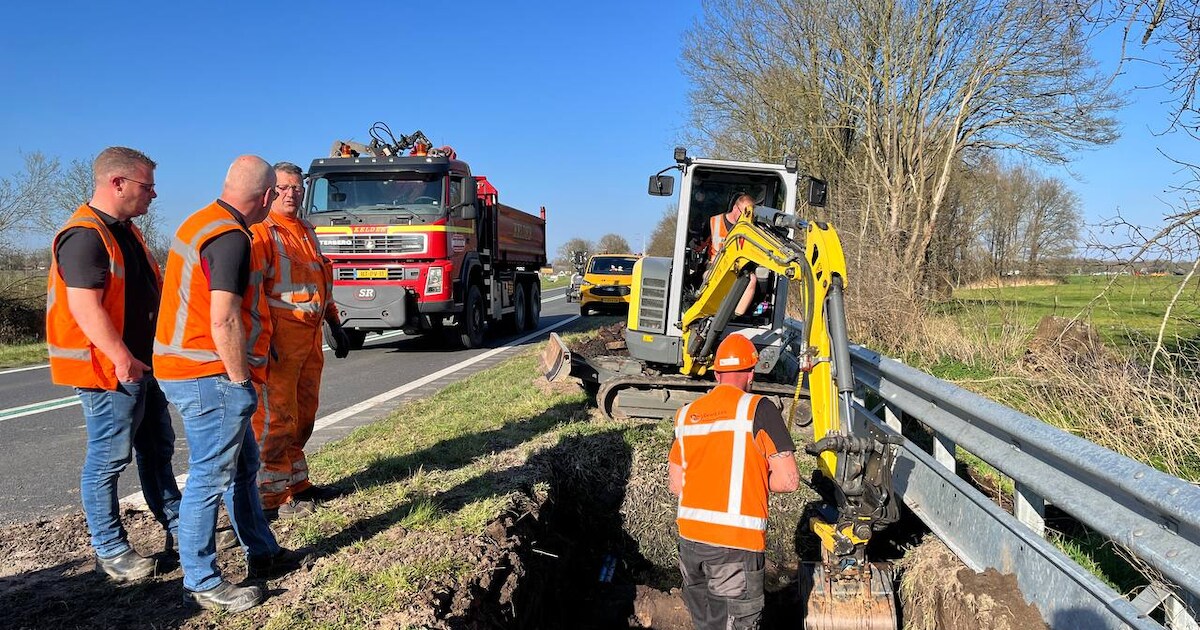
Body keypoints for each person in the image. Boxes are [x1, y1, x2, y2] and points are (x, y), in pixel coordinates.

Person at [154, 155, 304, 612]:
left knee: (242, 466)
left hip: (188, 366)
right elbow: (223, 318)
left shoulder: (201, 221)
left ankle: (262, 551)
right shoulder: (231, 237)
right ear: (265, 197)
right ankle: (201, 580)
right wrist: (239, 381)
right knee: (210, 476)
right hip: (207, 373)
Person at [46, 146, 182, 582]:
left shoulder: (124, 231)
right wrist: (122, 359)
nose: (154, 194)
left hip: (142, 365)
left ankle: (180, 526)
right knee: (108, 459)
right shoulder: (85, 235)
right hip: (110, 372)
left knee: (157, 450)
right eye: (147, 185)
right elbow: (85, 307)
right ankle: (110, 550)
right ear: (117, 183)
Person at [668, 334, 800, 630]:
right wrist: (753, 477)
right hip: (735, 548)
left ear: (716, 374)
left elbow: (676, 484)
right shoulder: (759, 409)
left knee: (707, 623)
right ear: (751, 373)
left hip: (690, 545)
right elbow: (788, 480)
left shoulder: (686, 415)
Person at [249, 161, 349, 520]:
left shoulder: (305, 230)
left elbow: (319, 282)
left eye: (296, 188)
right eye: (283, 188)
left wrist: (334, 322)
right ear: (270, 192)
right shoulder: (262, 232)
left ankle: (297, 484)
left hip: (307, 339)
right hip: (278, 340)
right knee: (275, 420)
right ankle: (269, 498)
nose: (291, 194)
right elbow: (254, 293)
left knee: (303, 415)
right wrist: (263, 339)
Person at [704, 193, 759, 317]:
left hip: (738, 267)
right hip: (715, 265)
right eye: (743, 213)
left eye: (748, 214)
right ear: (735, 208)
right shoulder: (714, 221)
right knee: (709, 277)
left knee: (752, 280)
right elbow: (700, 244)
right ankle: (710, 313)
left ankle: (735, 316)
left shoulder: (749, 229)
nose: (745, 217)